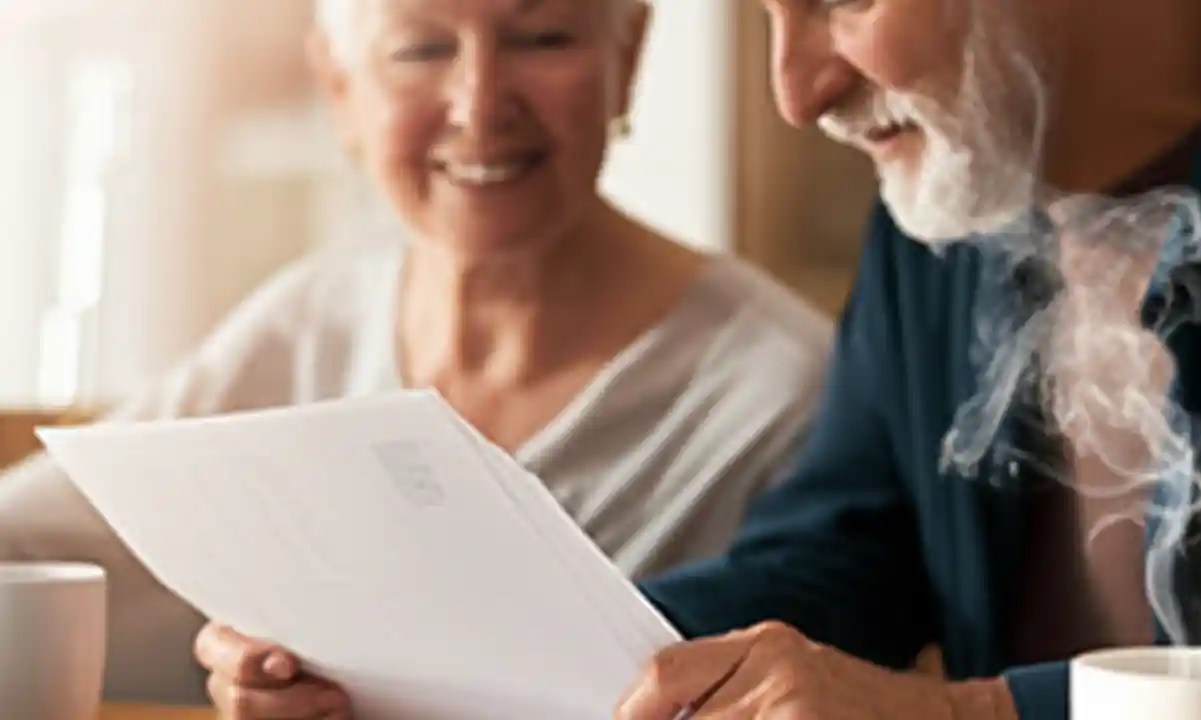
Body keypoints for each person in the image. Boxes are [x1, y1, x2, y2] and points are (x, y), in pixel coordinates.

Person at [197, 0, 1201, 718]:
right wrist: (438, 662)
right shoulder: (950, 208)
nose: (795, 90)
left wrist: (968, 713)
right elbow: (840, 559)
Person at [0, 0, 831, 706]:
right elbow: (31, 543)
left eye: (542, 39)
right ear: (339, 87)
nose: (479, 102)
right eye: (422, 49)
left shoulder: (780, 385)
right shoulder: (311, 320)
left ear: (630, 54)